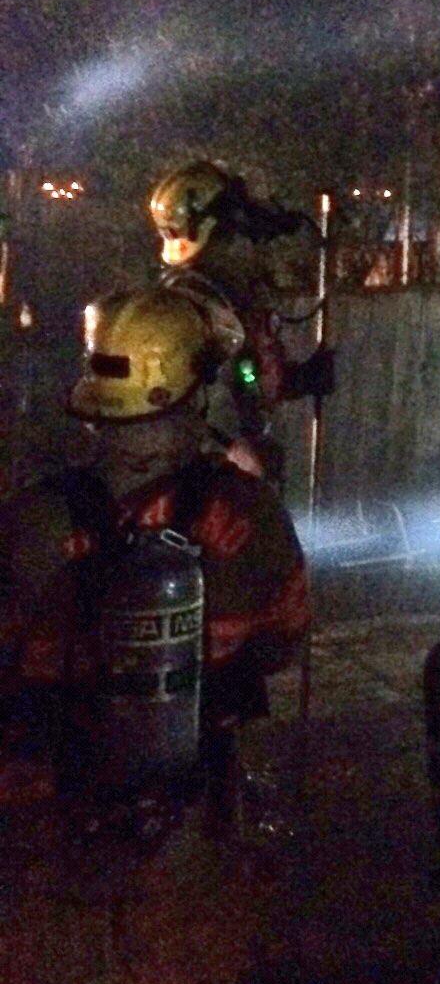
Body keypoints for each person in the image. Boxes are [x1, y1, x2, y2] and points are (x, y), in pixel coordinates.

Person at [0, 284, 310, 809]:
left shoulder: (29, 517)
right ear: (195, 383)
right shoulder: (249, 508)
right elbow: (284, 645)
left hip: (52, 803)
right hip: (200, 801)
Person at [149, 157, 331, 477]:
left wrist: (296, 379)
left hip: (233, 476)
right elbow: (180, 407)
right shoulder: (193, 309)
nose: (254, 245)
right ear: (221, 234)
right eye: (241, 232)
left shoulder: (228, 299)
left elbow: (246, 378)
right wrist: (232, 449)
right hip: (205, 484)